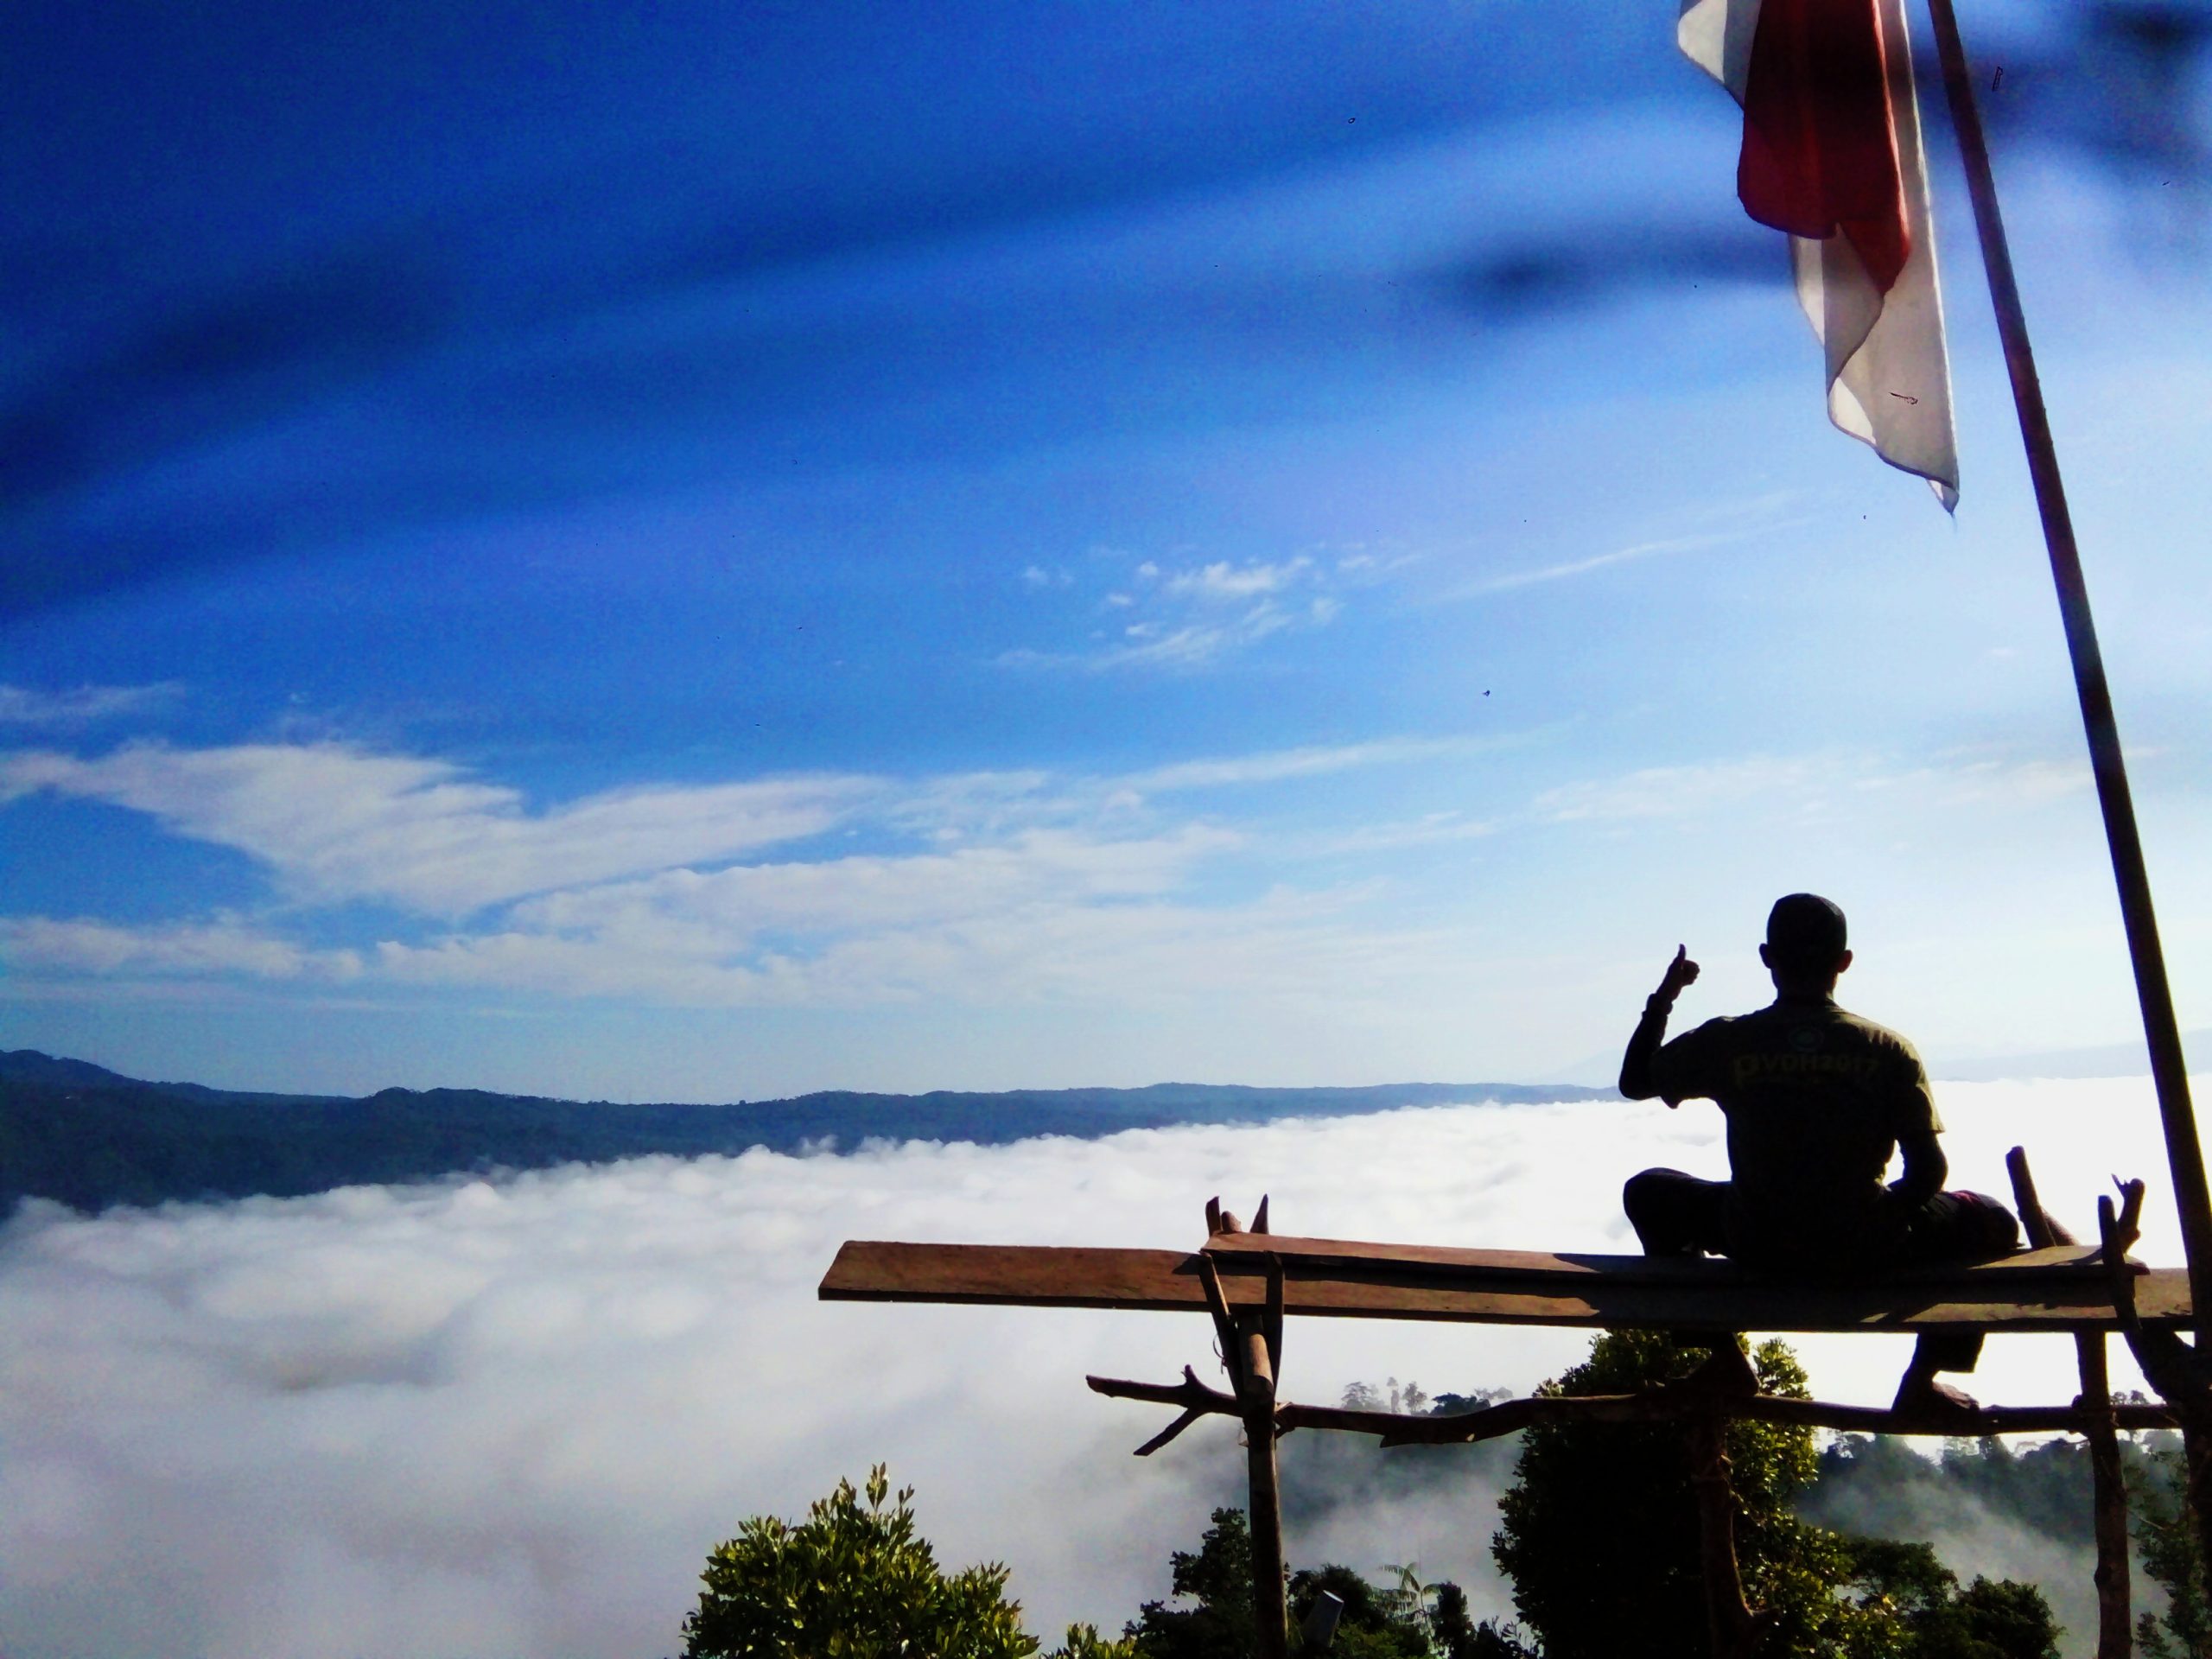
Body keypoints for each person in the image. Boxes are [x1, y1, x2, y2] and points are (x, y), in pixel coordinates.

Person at [1618, 893, 2018, 1411]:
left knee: (1649, 1192)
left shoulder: (1730, 1041)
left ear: (1767, 957)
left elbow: (1634, 1081)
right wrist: (1871, 1221)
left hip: (1756, 1237)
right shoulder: (1885, 1048)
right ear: (1844, 962)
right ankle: (1922, 1383)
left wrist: (1664, 998)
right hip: (1863, 1247)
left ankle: (1722, 1357)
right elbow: (1928, 1172)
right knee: (1992, 1220)